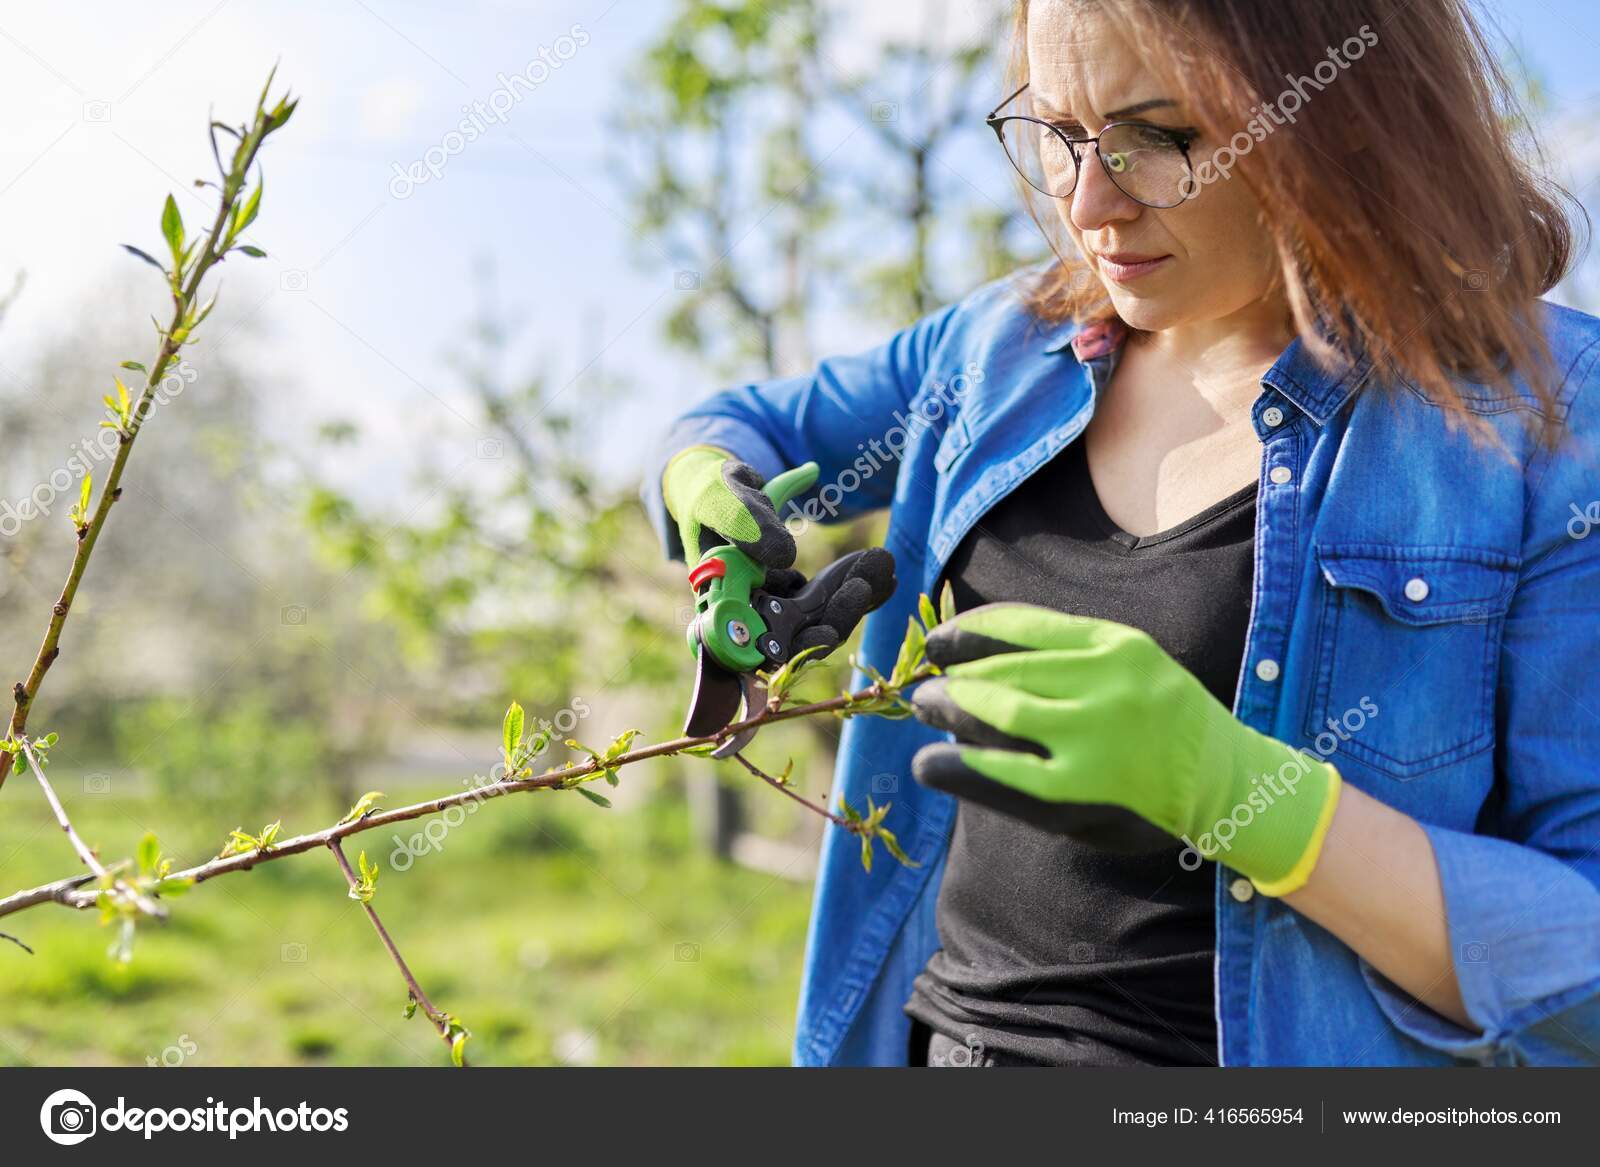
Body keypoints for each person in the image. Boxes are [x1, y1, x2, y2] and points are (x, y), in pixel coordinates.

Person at [645, 0, 1600, 1067]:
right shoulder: (997, 352)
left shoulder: (1556, 420)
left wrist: (1242, 799)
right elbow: (745, 429)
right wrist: (707, 500)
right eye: (1057, 135)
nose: (1089, 204)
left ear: (1337, 116)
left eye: (1159, 139)